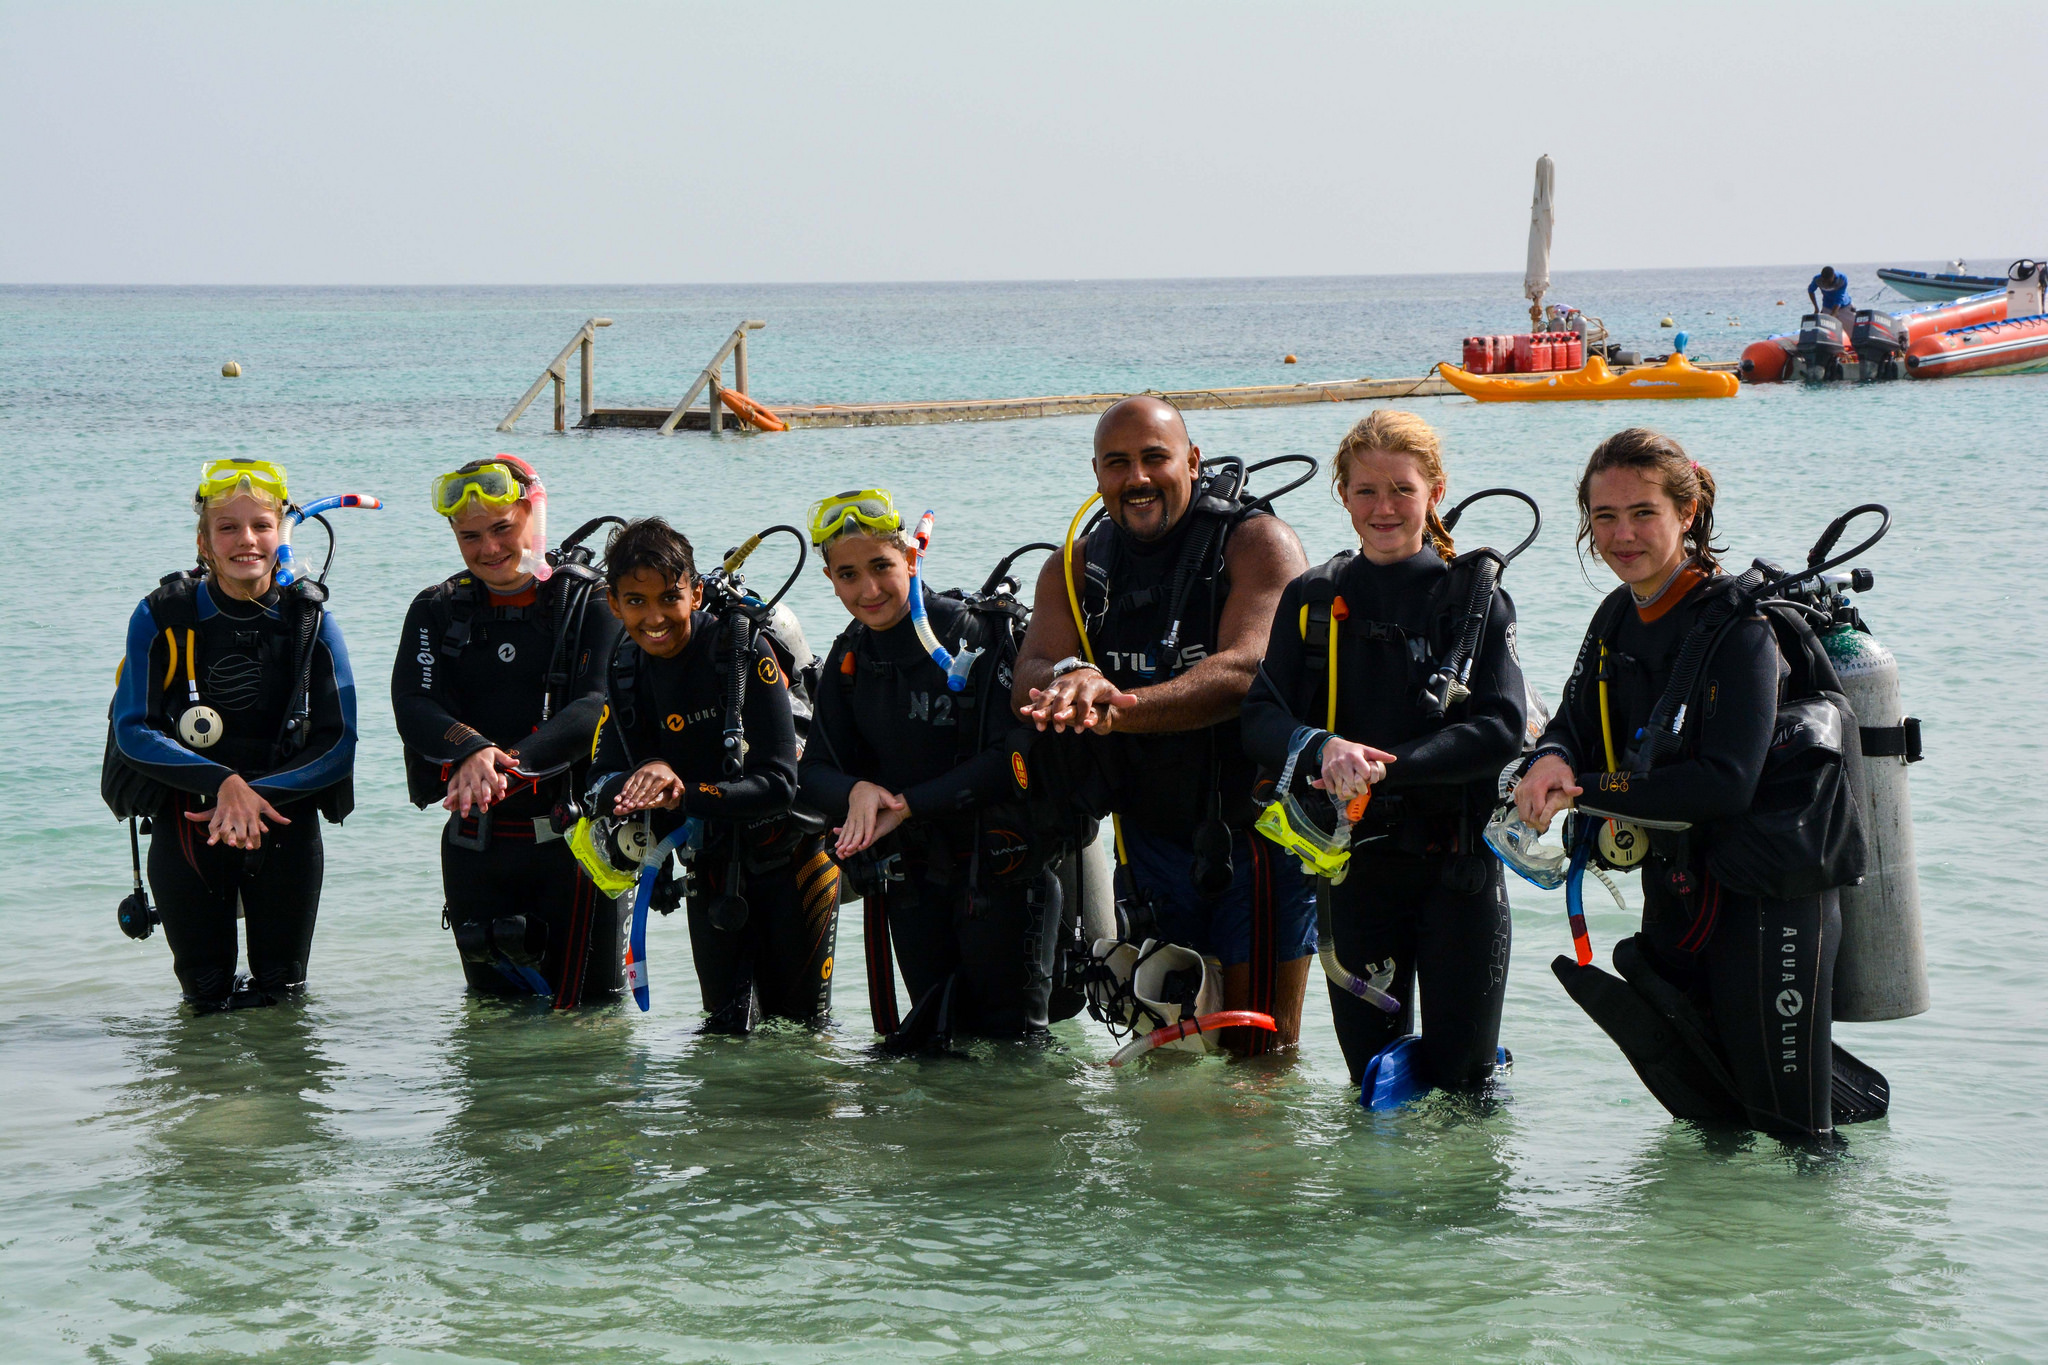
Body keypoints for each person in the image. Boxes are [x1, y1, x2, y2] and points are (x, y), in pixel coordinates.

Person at [1513, 428, 1841, 1140]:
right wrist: (1550, 759)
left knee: (1798, 1137)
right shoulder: (1615, 616)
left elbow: (1725, 785)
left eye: (1642, 513)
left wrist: (1584, 791)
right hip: (1678, 896)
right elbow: (1572, 715)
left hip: (1767, 906)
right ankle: (1701, 1248)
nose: (1621, 534)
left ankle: (1821, 1248)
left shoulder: (1740, 631)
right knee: (1712, 1125)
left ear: (1686, 514)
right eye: (1604, 517)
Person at [1013, 395, 1312, 1053]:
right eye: (1118, 463)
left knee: (1257, 1052)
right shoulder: (1076, 565)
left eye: (1155, 458)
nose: (1138, 478)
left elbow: (1247, 670)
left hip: (1255, 838)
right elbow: (1028, 673)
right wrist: (1071, 674)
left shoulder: (1257, 542)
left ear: (1193, 461)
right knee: (1166, 1054)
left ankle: (1267, 1159)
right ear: (1097, 474)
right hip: (1146, 841)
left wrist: (1118, 708)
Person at [1242, 411, 1526, 1091]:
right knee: (1373, 1084)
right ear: (1342, 496)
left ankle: (1468, 1197)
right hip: (1355, 879)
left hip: (1460, 875)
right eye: (1366, 491)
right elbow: (1259, 715)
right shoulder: (1313, 596)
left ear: (1435, 489)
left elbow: (1501, 727)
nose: (1384, 508)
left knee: (1466, 1086)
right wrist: (1323, 748)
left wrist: (1382, 768)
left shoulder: (1476, 599)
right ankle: (1374, 1202)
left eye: (1402, 488)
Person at [798, 489, 1061, 1047]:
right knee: (935, 1047)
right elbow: (814, 769)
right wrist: (858, 791)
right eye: (847, 575)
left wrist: (909, 805)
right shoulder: (851, 658)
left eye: (881, 567)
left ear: (911, 560)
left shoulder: (977, 635)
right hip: (912, 881)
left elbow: (1014, 760)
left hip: (1001, 873)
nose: (867, 589)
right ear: (829, 579)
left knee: (1014, 1048)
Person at [106, 459, 358, 1010]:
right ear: (204, 541)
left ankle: (283, 1097)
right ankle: (208, 1097)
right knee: (204, 1001)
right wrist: (226, 785)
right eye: (228, 527)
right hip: (189, 827)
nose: (246, 540)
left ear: (281, 534)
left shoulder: (310, 620)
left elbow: (340, 744)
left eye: (261, 526)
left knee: (284, 998)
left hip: (283, 825)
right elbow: (133, 729)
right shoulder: (162, 615)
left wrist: (254, 797)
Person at [584, 517, 838, 1032]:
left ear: (696, 593)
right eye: (635, 602)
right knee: (723, 1029)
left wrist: (681, 794)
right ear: (613, 603)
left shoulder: (740, 651)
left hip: (794, 858)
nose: (654, 618)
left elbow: (777, 784)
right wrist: (645, 774)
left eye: (668, 598)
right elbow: (596, 782)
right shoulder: (627, 668)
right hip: (712, 865)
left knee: (805, 1032)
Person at [391, 455, 623, 1007]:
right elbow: (412, 703)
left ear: (532, 514)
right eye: (470, 536)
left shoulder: (590, 602)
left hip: (577, 848)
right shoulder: (435, 610)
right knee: (489, 1034)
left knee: (591, 1024)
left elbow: (596, 704)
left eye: (502, 528)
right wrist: (471, 748)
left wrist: (501, 762)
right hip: (477, 850)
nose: (489, 549)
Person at [1807, 266, 1855, 332]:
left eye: (1828, 281)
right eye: (1824, 281)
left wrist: (1833, 315)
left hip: (1844, 306)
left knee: (1852, 331)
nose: (1826, 283)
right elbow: (1810, 291)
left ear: (1833, 276)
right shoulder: (1817, 280)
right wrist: (1816, 308)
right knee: (1825, 332)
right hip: (1827, 306)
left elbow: (1839, 298)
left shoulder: (1841, 279)